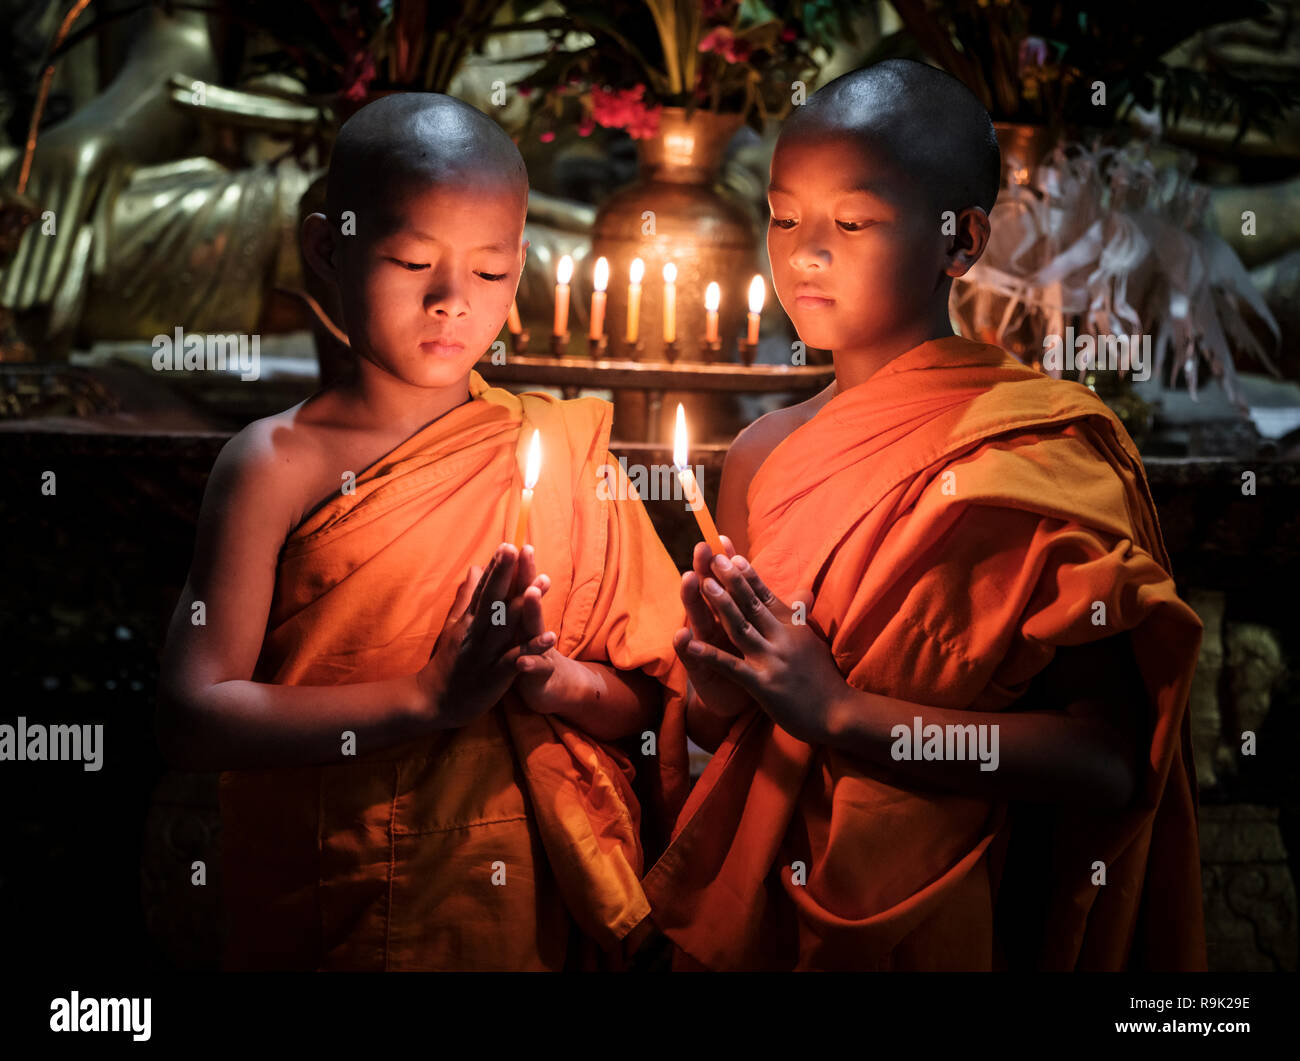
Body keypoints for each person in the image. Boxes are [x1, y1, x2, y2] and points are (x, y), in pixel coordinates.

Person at [643, 59, 1206, 971]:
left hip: (951, 920)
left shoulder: (1035, 452)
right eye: (784, 217)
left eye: (853, 221)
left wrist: (843, 713)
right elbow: (725, 738)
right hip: (771, 920)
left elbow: (1108, 761)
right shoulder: (762, 455)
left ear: (961, 237)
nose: (805, 252)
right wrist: (717, 684)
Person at [155, 92, 688, 970]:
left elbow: (649, 704)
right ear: (328, 248)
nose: (450, 302)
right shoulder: (275, 465)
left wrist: (556, 684)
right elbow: (193, 716)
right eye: (410, 261)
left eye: (488, 273)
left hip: (519, 905)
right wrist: (429, 702)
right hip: (331, 886)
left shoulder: (556, 447)